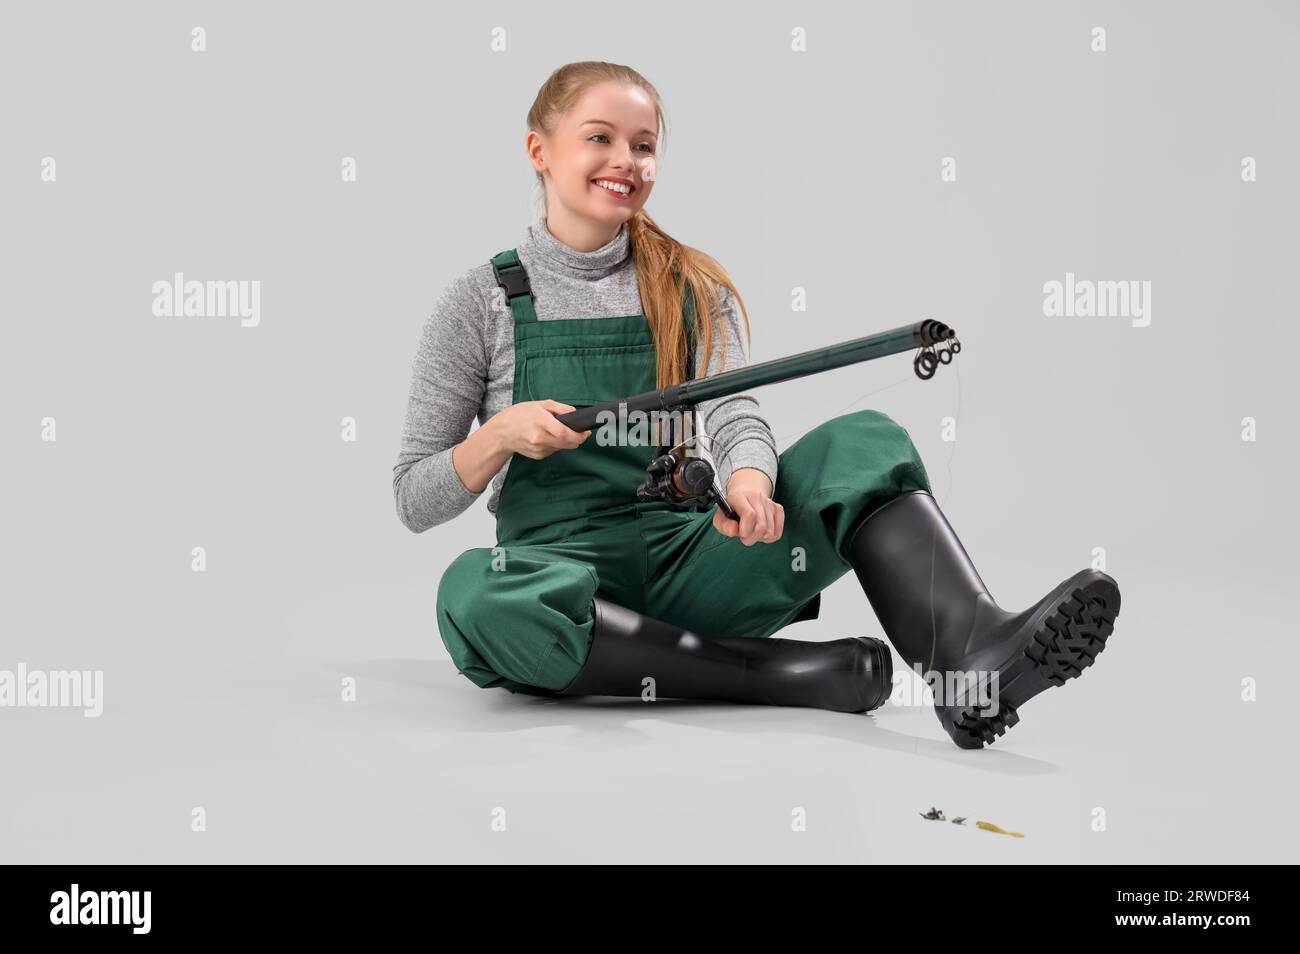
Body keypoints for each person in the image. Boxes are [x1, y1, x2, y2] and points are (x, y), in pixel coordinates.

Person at [393, 61, 1122, 749]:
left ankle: (973, 662)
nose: (627, 161)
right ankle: (772, 671)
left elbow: (736, 414)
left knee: (866, 442)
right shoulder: (479, 303)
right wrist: (496, 438)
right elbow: (413, 498)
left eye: (644, 146)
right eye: (599, 138)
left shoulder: (688, 287)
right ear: (539, 150)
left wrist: (750, 481)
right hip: (560, 589)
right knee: (474, 592)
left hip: (689, 565)